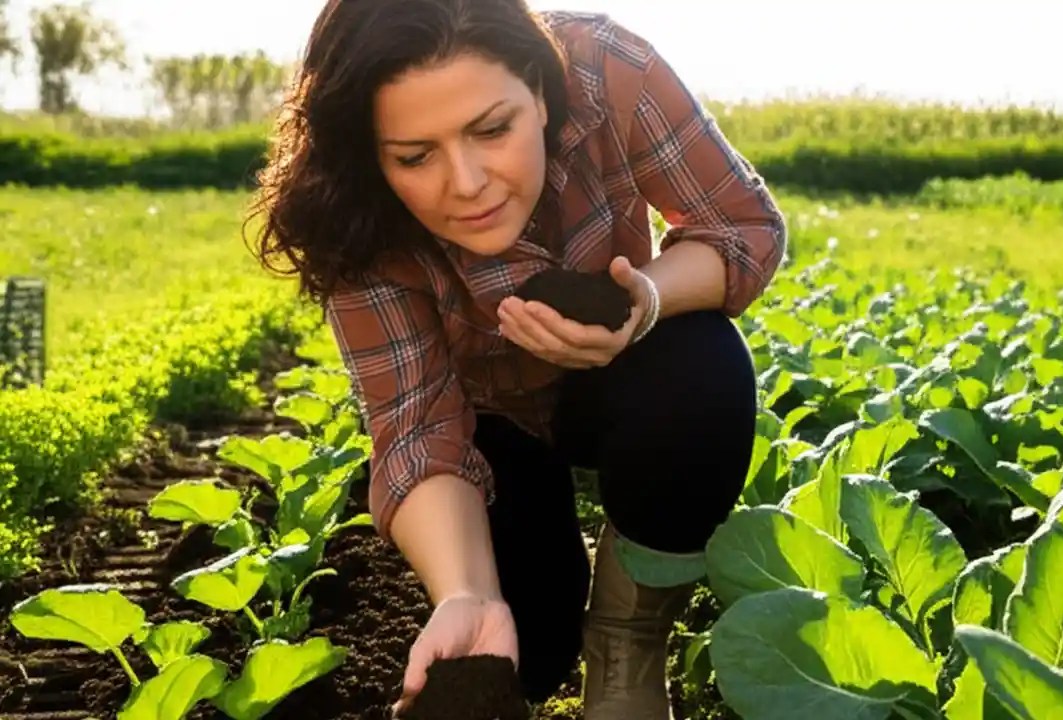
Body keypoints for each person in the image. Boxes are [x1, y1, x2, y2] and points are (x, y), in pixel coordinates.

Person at [246, 0, 786, 717]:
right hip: (487, 423)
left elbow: (742, 225)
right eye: (414, 156)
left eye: (492, 130)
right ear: (370, 154)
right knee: (527, 648)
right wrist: (468, 594)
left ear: (540, 89)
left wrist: (642, 304)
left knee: (700, 367)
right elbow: (415, 427)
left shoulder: (607, 70)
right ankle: (518, 613)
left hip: (617, 377)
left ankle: (628, 645)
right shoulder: (352, 216)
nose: (465, 182)